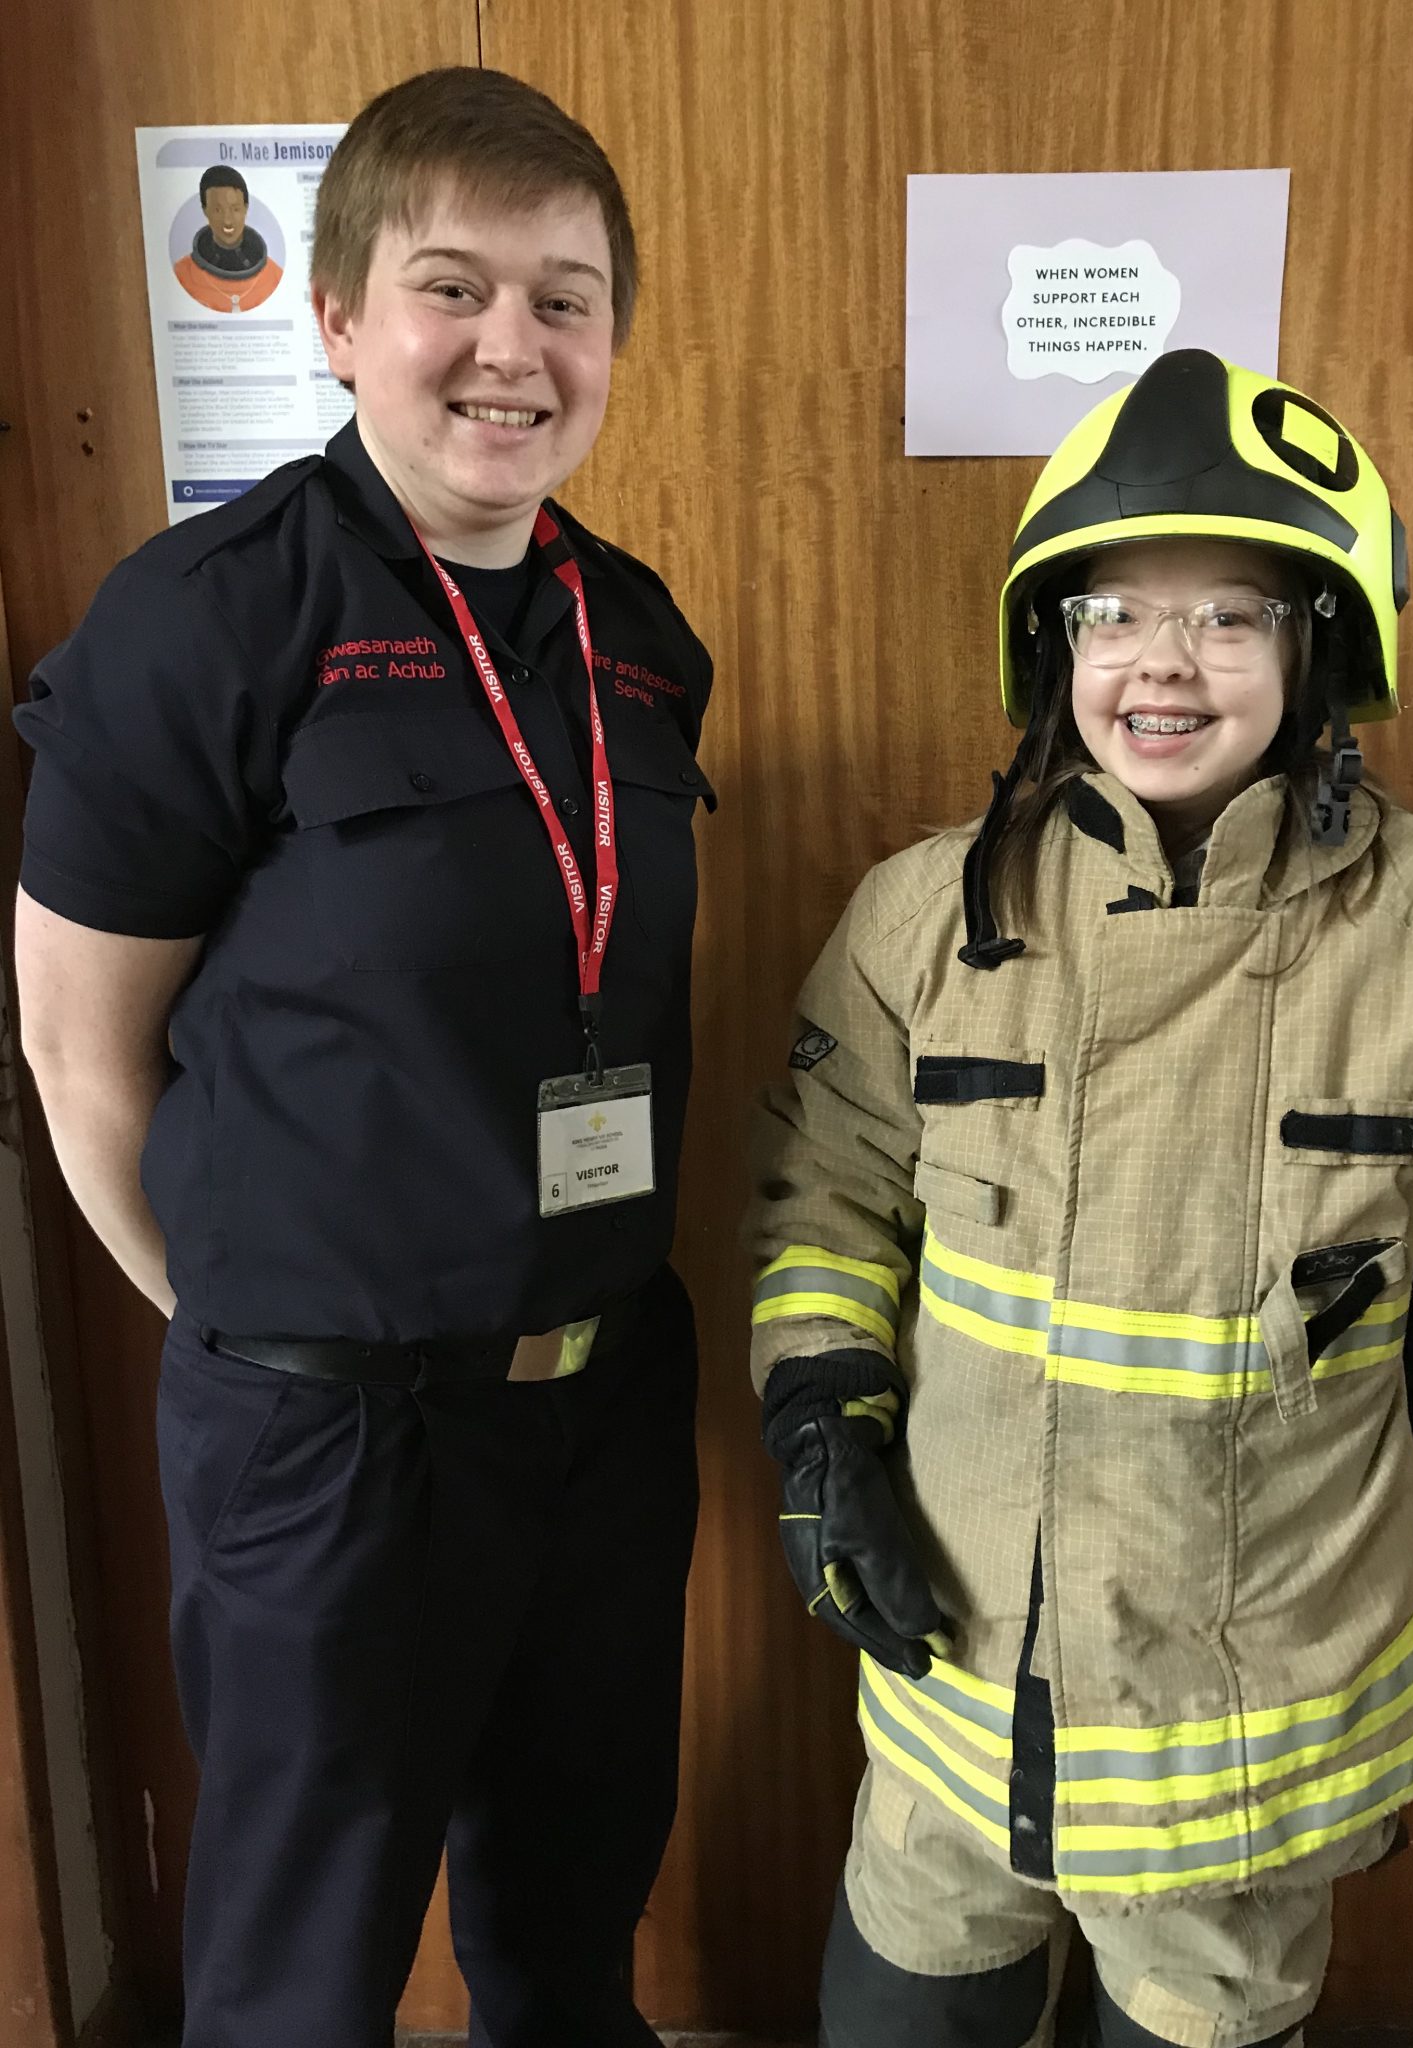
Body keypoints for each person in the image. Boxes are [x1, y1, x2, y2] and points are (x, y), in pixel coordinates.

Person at [15, 66, 713, 2048]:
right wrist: (258, 1334)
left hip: (595, 1410)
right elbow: (82, 1068)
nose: (513, 347)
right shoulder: (200, 627)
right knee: (300, 1984)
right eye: (453, 287)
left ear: (612, 339)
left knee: (571, 1938)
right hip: (332, 1439)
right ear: (337, 321)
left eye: (565, 297)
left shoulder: (639, 639)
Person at [746, 348, 1413, 2048]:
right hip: (956, 1701)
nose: (1157, 664)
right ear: (1052, 647)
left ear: (1318, 643)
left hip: (1242, 1741)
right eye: (1110, 611)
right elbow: (826, 1186)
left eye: (1227, 617)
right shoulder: (919, 919)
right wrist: (821, 1415)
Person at [172, 164, 285, 313]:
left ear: (246, 208)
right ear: (205, 210)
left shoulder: (273, 276)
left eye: (235, 209)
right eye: (218, 210)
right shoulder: (183, 274)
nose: (227, 220)